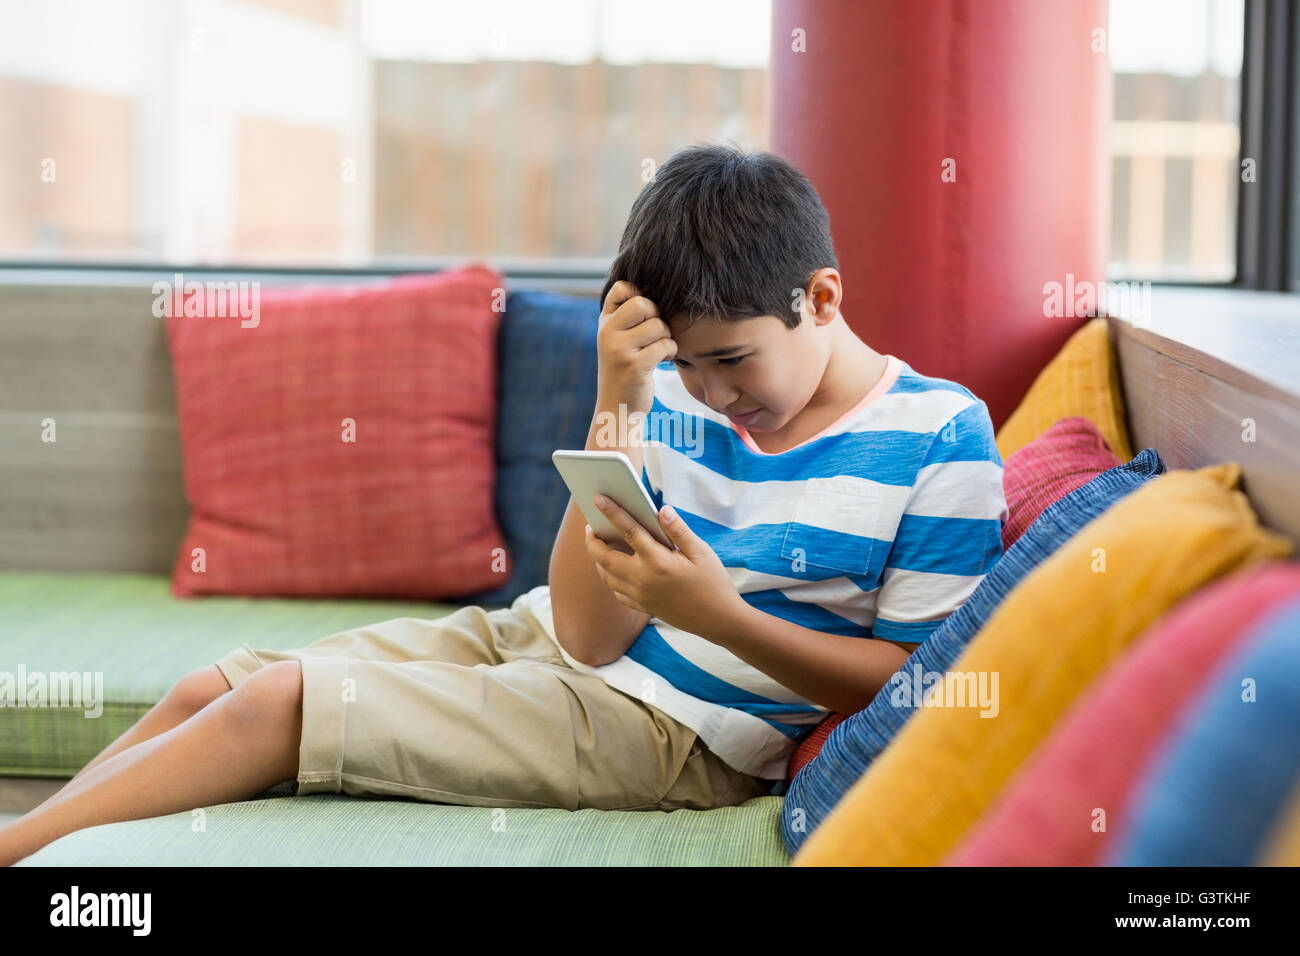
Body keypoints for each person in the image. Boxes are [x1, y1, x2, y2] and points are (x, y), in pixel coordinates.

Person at [0, 144, 1007, 866]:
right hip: (549, 645)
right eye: (685, 364)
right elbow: (584, 627)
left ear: (821, 299)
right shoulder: (661, 391)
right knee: (208, 686)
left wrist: (719, 617)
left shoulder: (937, 439)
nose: (709, 392)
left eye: (732, 358)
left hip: (677, 736)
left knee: (277, 704)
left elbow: (913, 684)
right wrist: (617, 401)